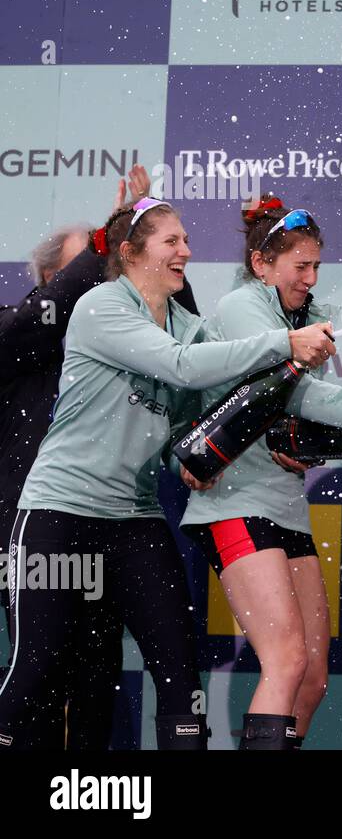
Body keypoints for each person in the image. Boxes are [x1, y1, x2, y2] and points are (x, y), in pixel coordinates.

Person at [0, 198, 336, 750]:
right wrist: (284, 342)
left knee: (181, 679)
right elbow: (182, 367)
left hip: (136, 517)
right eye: (172, 241)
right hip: (60, 513)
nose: (187, 250)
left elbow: (218, 397)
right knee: (38, 669)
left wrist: (270, 440)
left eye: (185, 239)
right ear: (131, 254)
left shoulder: (187, 323)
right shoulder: (99, 305)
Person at [180, 200, 342, 750]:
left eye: (316, 265)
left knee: (313, 677)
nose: (311, 277)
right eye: (300, 266)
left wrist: (302, 441)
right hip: (233, 504)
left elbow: (295, 415)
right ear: (261, 264)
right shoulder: (241, 307)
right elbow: (301, 392)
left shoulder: (302, 314)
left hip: (285, 508)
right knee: (286, 660)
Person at [0, 166, 196, 750]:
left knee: (98, 675)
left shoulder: (134, 331)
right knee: (39, 672)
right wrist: (117, 237)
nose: (109, 270)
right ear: (52, 280)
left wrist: (147, 253)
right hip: (40, 523)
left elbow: (185, 340)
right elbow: (52, 309)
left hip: (119, 521)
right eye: (95, 261)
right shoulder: (19, 338)